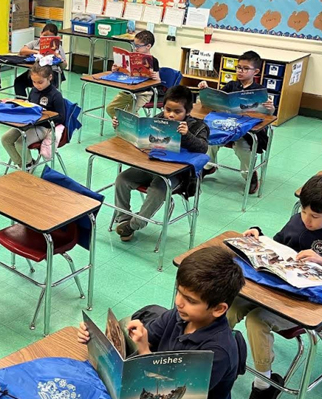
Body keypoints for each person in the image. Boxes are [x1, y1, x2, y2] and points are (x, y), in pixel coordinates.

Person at [229, 174, 322, 399]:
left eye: (314, 216)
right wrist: (258, 237)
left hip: (307, 305)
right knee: (229, 306)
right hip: (273, 288)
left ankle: (263, 385)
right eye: (303, 211)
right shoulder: (297, 221)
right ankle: (220, 355)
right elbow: (279, 245)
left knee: (257, 320)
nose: (306, 220)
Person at [77, 247, 246, 399]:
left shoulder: (217, 353)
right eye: (178, 292)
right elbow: (149, 337)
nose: (178, 302)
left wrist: (144, 350)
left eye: (190, 300)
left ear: (218, 309)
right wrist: (95, 341)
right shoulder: (178, 315)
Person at [111, 86, 209, 242]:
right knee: (122, 179)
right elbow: (138, 138)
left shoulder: (199, 126)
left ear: (188, 112)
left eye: (177, 112)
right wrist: (121, 126)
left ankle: (135, 224)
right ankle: (124, 218)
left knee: (157, 188)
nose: (170, 115)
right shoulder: (159, 119)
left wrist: (187, 135)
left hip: (177, 175)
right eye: (168, 109)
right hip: (151, 166)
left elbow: (203, 148)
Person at [198, 51, 275, 195]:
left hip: (246, 131)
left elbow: (268, 116)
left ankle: (249, 175)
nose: (240, 71)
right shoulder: (231, 85)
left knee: (242, 149)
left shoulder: (259, 91)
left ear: (256, 71)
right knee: (208, 140)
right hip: (226, 126)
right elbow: (217, 101)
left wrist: (271, 109)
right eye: (238, 67)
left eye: (246, 68)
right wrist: (206, 91)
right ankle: (208, 166)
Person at [0, 62, 66, 169]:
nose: (36, 85)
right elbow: (29, 104)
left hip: (44, 127)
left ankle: (27, 166)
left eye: (40, 82)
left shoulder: (56, 95)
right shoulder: (34, 91)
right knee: (5, 139)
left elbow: (61, 117)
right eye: (34, 82)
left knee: (20, 143)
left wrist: (43, 114)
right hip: (29, 123)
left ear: (50, 77)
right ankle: (25, 164)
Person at [104, 30, 161, 119]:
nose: (135, 48)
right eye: (134, 45)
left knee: (130, 113)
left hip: (143, 93)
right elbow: (122, 75)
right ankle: (122, 124)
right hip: (128, 91)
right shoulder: (130, 58)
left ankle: (128, 127)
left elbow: (158, 80)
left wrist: (156, 78)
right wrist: (115, 70)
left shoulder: (153, 61)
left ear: (148, 46)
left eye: (138, 46)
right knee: (110, 109)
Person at [14, 23, 67, 98]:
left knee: (43, 86)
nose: (46, 38)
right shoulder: (35, 43)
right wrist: (36, 52)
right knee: (19, 81)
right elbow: (22, 51)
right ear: (41, 33)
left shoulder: (57, 47)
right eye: (45, 35)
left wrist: (58, 57)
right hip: (35, 72)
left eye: (50, 37)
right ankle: (22, 102)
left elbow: (64, 66)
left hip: (51, 73)